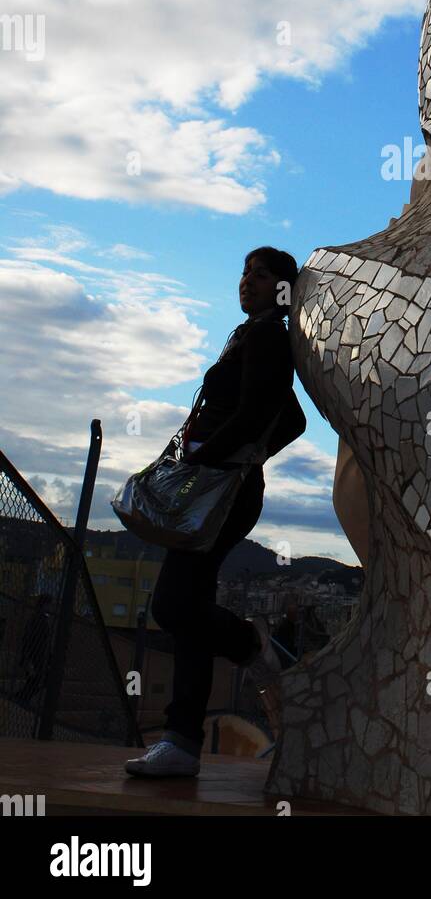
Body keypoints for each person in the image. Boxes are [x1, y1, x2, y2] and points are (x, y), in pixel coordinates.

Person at [125, 246, 304, 778]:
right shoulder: (251, 336)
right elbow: (289, 416)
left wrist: (209, 461)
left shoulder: (271, 335)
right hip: (223, 488)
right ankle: (181, 743)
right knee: (186, 613)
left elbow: (259, 414)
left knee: (174, 604)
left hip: (223, 493)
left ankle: (250, 643)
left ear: (283, 288)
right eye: (245, 271)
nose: (247, 280)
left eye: (261, 273)